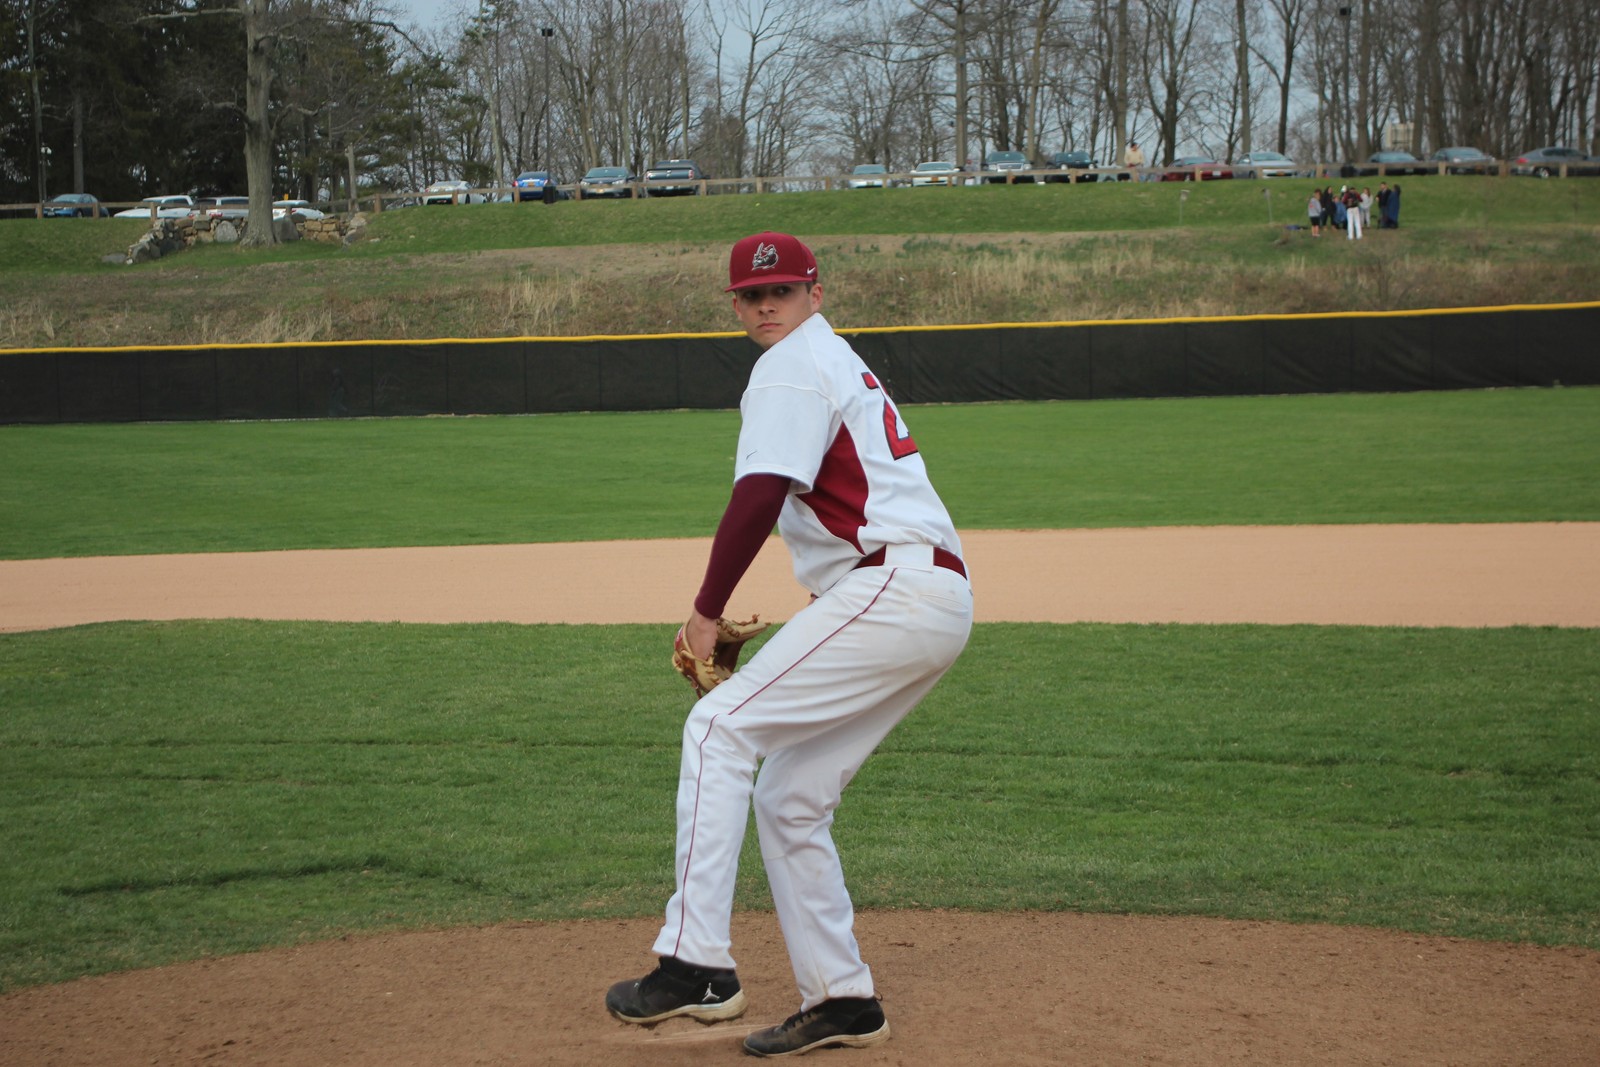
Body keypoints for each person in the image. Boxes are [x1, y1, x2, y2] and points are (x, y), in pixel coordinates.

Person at [604, 231, 974, 1058]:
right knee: (790, 797)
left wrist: (705, 612)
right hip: (923, 596)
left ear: (815, 293)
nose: (767, 305)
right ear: (736, 305)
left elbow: (761, 492)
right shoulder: (833, 359)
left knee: (717, 729)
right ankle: (843, 998)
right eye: (752, 295)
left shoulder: (790, 365)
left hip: (892, 587)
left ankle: (696, 964)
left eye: (782, 291)